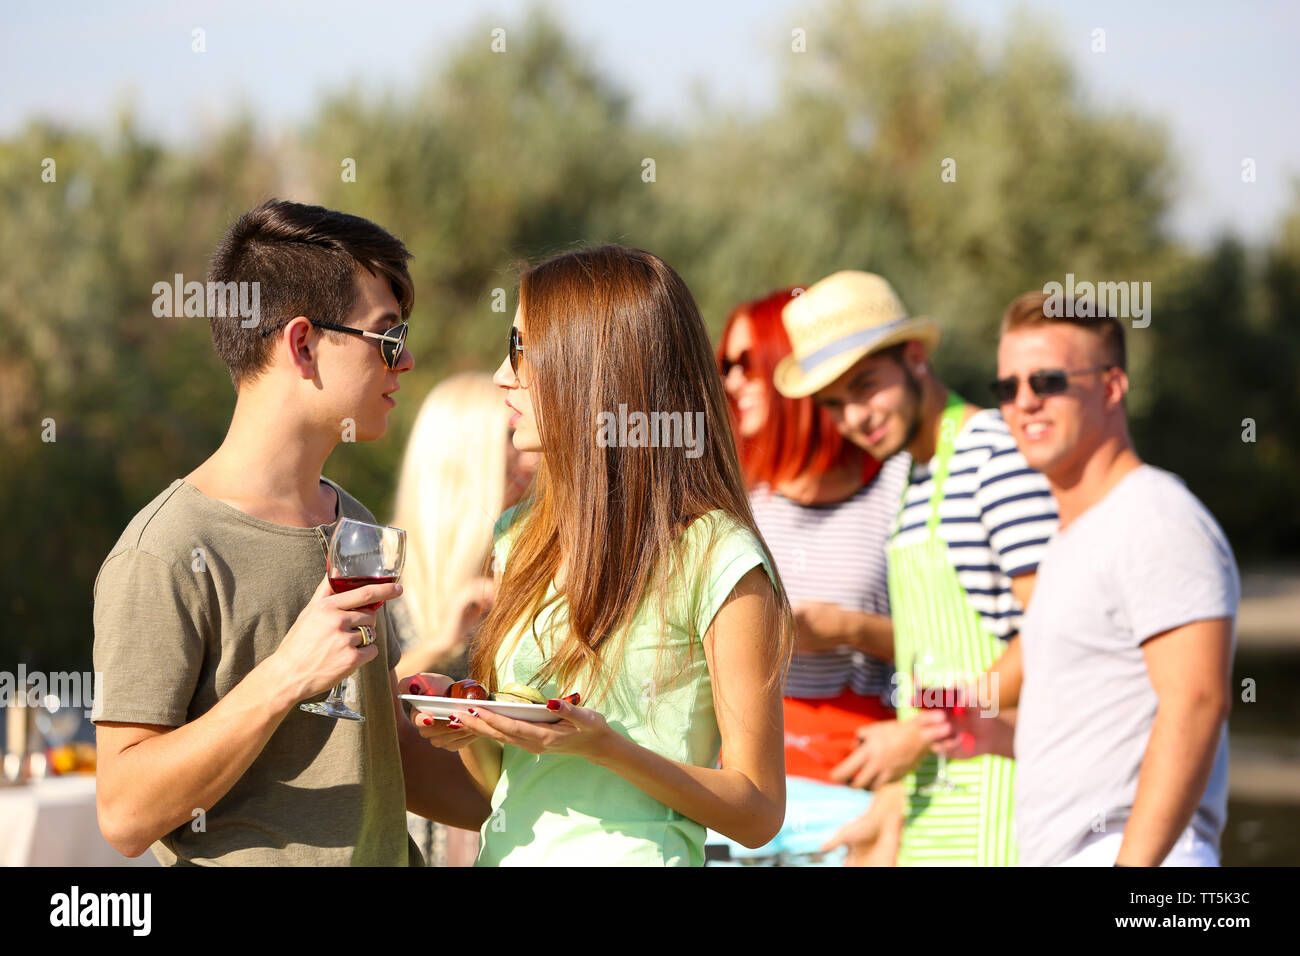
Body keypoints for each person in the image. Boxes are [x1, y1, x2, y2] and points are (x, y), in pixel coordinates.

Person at [91, 199, 489, 864]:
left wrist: (569, 777)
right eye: (388, 337)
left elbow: (383, 760)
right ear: (302, 343)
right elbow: (125, 814)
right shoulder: (163, 551)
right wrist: (285, 676)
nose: (407, 360)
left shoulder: (355, 524)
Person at [410, 244, 795, 866]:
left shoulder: (720, 555)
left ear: (592, 370)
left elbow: (757, 813)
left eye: (520, 350)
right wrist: (471, 729)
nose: (501, 376)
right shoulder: (517, 538)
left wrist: (605, 747)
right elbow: (507, 784)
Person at [929, 291, 1237, 866]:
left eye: (1046, 381)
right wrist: (995, 734)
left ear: (1112, 387)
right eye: (1007, 388)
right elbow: (1100, 726)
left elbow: (1197, 700)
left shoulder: (1155, 517)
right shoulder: (1072, 541)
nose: (1024, 403)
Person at [775, 271, 1058, 865]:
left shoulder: (993, 453)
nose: (854, 416)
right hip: (936, 808)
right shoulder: (910, 476)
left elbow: (1056, 632)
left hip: (1005, 808)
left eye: (866, 386)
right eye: (834, 403)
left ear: (915, 356)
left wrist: (917, 733)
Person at [716, 286, 910, 864]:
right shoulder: (733, 500)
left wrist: (849, 628)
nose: (730, 382)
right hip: (746, 793)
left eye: (746, 365)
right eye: (724, 366)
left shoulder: (898, 487)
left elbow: (963, 649)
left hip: (857, 796)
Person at [389, 371, 539, 866]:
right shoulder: (380, 575)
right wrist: (440, 643)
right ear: (462, 453)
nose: (531, 451)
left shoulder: (536, 570)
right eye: (508, 434)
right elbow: (350, 705)